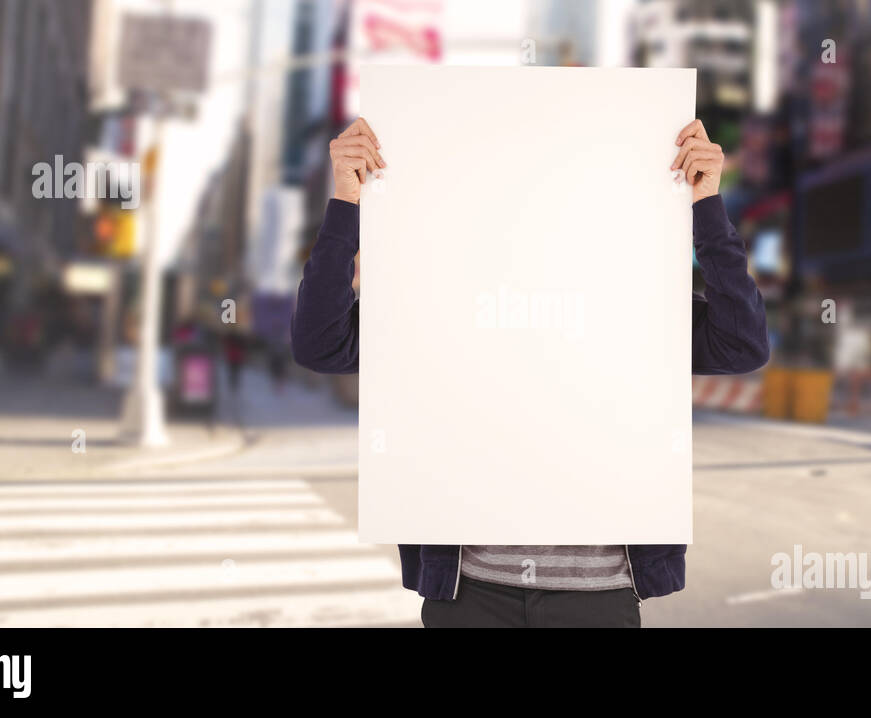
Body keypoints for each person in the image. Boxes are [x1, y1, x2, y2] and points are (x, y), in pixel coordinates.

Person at [291, 117, 769, 628]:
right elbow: (321, 344)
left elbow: (742, 345)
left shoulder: (634, 308)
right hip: (471, 591)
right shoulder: (444, 303)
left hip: (599, 595)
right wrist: (346, 199)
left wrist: (706, 207)